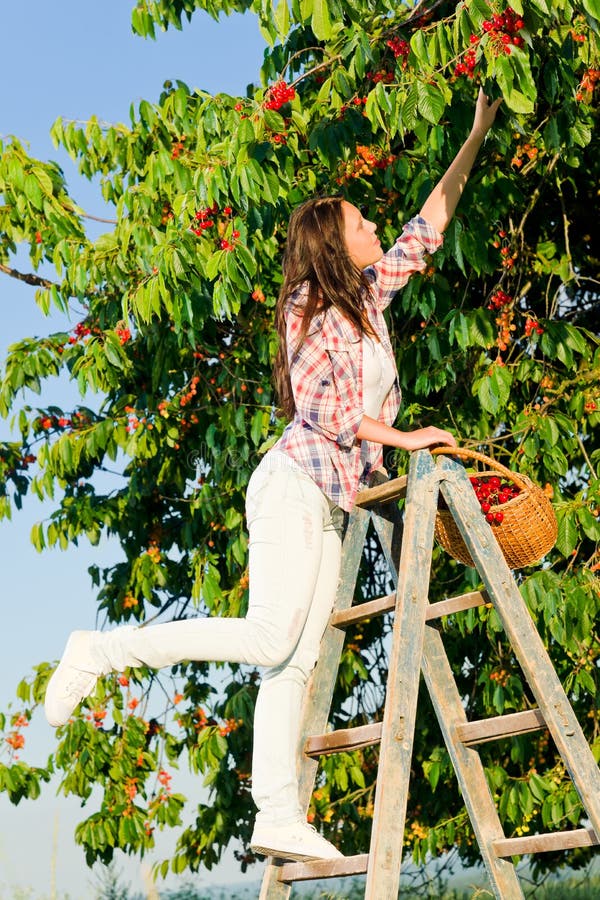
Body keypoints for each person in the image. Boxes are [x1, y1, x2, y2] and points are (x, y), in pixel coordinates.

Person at [44, 89, 501, 862]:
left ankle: (276, 813)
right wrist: (407, 433)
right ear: (332, 241)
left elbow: (430, 228)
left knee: (295, 657)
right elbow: (329, 412)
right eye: (361, 222)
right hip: (292, 486)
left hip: (331, 503)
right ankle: (98, 651)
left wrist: (480, 132)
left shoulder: (365, 300)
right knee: (270, 637)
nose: (375, 229)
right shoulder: (306, 305)